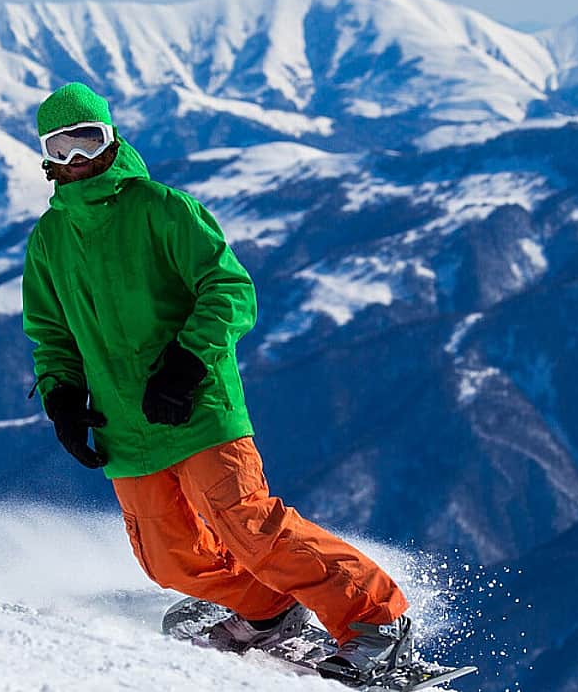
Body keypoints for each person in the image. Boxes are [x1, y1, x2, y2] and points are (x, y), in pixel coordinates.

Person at [21, 82, 411, 680]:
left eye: (87, 141)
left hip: (196, 403)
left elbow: (230, 288)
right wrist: (63, 397)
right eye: (62, 147)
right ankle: (267, 611)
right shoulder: (49, 239)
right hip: (126, 425)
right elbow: (51, 333)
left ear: (112, 139)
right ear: (46, 156)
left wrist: (187, 361)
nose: (77, 160)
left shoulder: (162, 208)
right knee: (169, 560)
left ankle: (374, 622)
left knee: (249, 526)